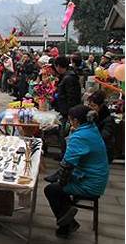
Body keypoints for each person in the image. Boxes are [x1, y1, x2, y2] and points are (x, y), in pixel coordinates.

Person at [44, 105, 109, 239]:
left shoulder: (80, 137)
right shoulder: (92, 129)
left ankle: (66, 224)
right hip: (94, 177)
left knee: (52, 190)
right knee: (57, 186)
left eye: (70, 120)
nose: (69, 123)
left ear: (77, 121)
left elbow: (68, 164)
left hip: (90, 183)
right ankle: (67, 214)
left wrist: (60, 182)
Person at [87, 90, 117, 163]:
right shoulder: (91, 115)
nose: (91, 108)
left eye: (94, 106)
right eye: (89, 105)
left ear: (100, 106)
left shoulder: (108, 119)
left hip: (103, 151)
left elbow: (104, 136)